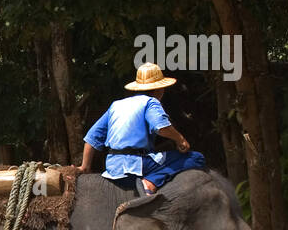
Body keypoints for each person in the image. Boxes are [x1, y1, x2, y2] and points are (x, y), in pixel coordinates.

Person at [78, 62, 205, 195]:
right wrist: (180, 139)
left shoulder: (116, 105)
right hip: (136, 165)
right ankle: (151, 182)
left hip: (112, 166)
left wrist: (85, 166)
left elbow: (92, 137)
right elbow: (161, 127)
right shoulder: (151, 102)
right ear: (159, 89)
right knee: (196, 158)